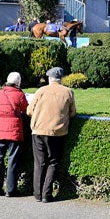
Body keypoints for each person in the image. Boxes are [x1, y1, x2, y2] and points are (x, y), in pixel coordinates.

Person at [27, 66, 76, 202]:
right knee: (53, 162)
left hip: (39, 130)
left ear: (49, 78)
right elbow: (72, 113)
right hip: (58, 132)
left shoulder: (41, 91)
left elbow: (29, 111)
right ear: (61, 79)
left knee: (40, 162)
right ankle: (46, 194)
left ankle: (38, 194)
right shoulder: (68, 92)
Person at [0, 72, 29, 195]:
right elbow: (26, 109)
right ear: (18, 82)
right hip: (14, 129)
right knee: (13, 159)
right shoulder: (19, 94)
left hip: (0, 128)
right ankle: (11, 189)